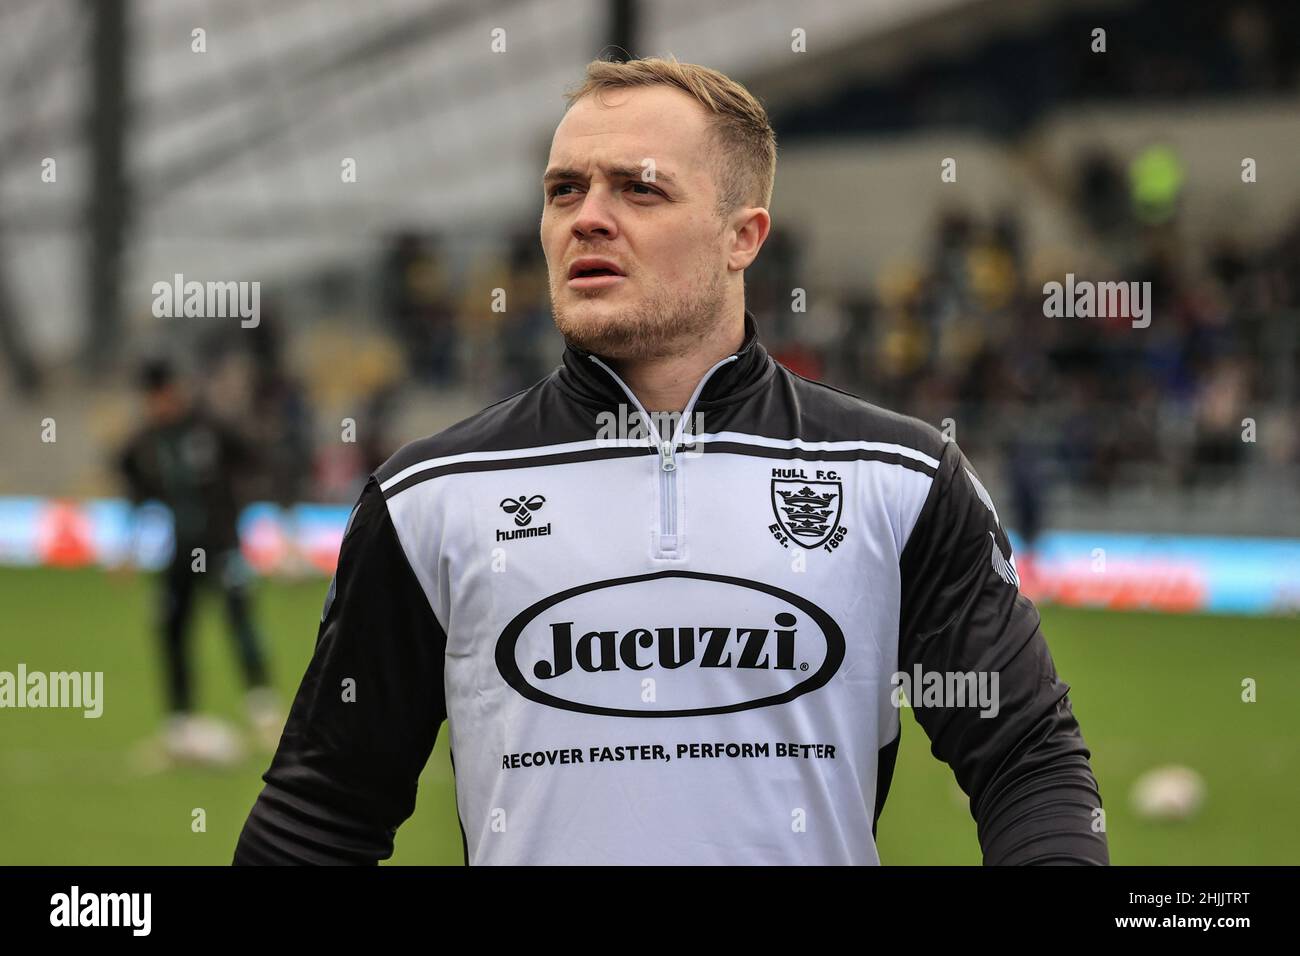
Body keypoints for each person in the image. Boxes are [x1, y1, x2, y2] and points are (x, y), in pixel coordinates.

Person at [234, 57, 1107, 865]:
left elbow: (1026, 757)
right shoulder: (431, 497)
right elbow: (326, 810)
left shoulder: (899, 481)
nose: (588, 217)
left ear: (744, 237)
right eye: (564, 189)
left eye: (639, 189)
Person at [119, 358, 282, 765]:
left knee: (239, 620)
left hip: (222, 545)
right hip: (180, 550)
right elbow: (136, 490)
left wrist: (257, 516)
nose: (158, 404)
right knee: (171, 628)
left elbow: (256, 460)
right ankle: (179, 727)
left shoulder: (211, 427)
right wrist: (129, 550)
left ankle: (265, 716)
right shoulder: (147, 441)